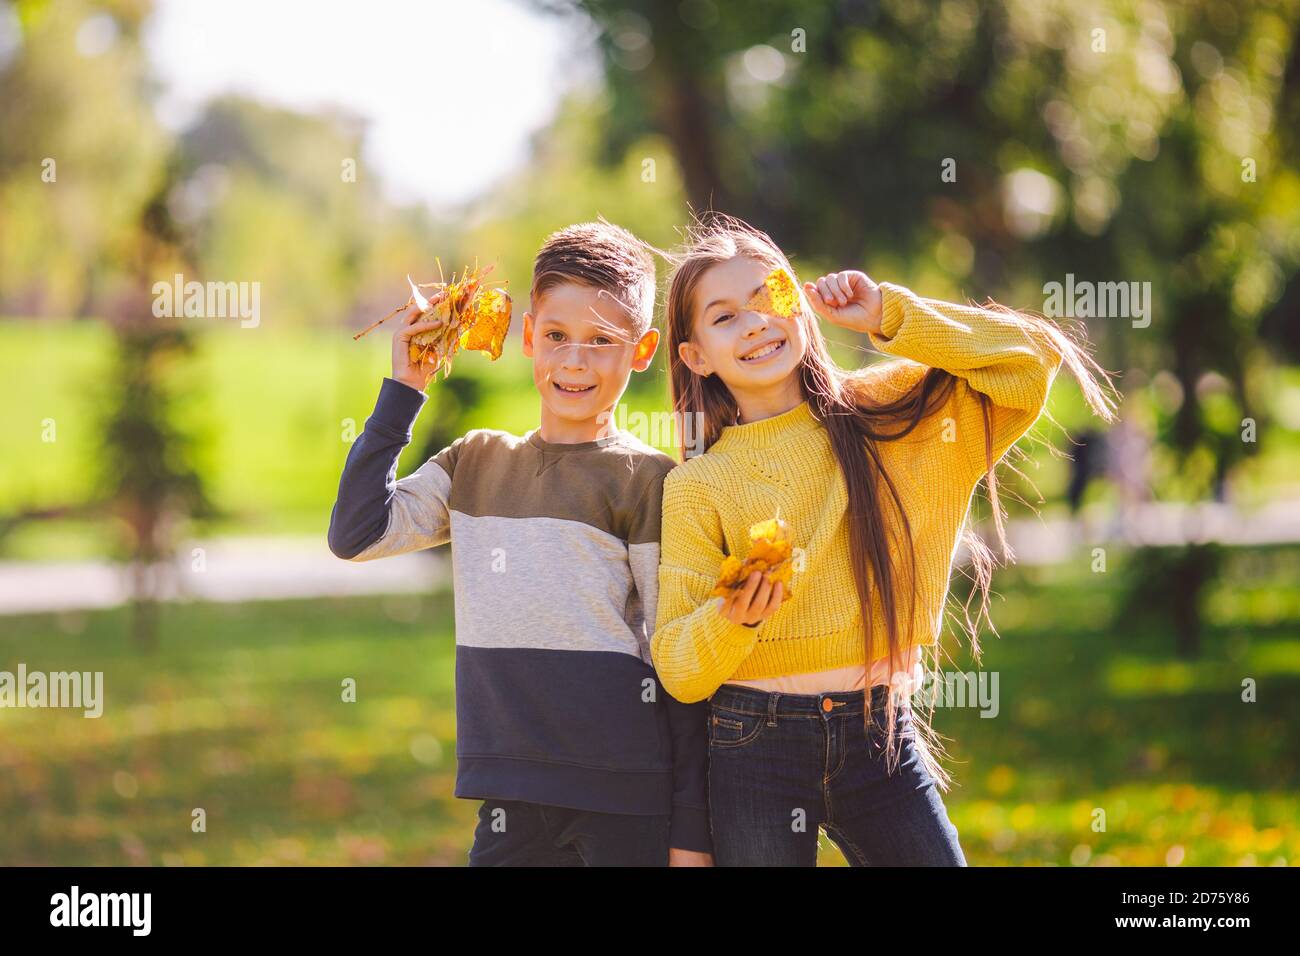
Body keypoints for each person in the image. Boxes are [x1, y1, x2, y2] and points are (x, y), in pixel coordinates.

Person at [651, 213, 1115, 866]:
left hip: (879, 738)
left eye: (768, 298)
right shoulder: (699, 484)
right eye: (725, 317)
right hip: (753, 740)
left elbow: (1029, 366)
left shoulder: (887, 415)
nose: (755, 323)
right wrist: (732, 619)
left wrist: (889, 312)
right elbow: (676, 665)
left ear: (801, 308)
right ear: (696, 355)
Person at [329, 222, 712, 866]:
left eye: (602, 342)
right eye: (557, 337)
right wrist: (405, 390)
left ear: (642, 351)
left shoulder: (649, 482)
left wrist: (691, 834)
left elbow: (676, 665)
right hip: (509, 798)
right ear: (529, 334)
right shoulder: (475, 463)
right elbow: (357, 533)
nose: (574, 362)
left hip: (626, 798)